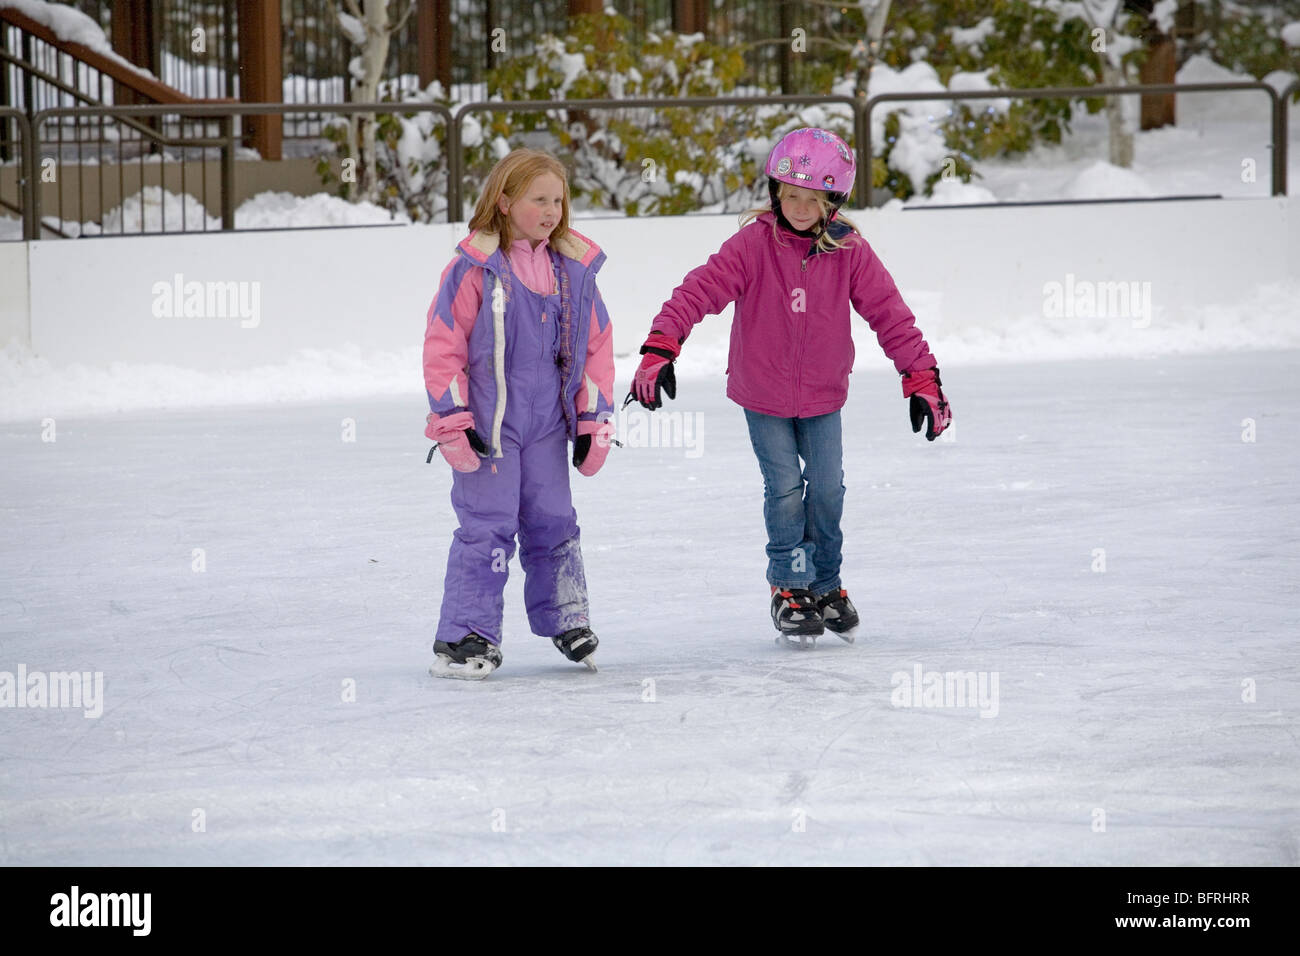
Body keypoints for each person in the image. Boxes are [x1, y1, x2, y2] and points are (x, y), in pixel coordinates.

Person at [629, 127, 951, 644]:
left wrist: (921, 378)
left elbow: (890, 314)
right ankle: (790, 586)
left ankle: (826, 583)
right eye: (791, 194)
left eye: (813, 197)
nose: (800, 206)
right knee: (784, 490)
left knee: (826, 489)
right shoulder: (753, 245)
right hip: (763, 394)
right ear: (776, 192)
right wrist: (661, 346)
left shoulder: (849, 249)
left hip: (823, 395)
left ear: (833, 200)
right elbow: (699, 290)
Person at [423, 149, 616, 678]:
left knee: (554, 520)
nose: (552, 210)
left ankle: (566, 617)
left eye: (558, 200)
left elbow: (597, 347)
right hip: (490, 428)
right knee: (488, 525)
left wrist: (593, 418)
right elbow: (444, 347)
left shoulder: (573, 273)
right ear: (505, 202)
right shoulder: (475, 270)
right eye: (539, 199)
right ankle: (465, 635)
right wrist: (452, 419)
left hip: (548, 427)